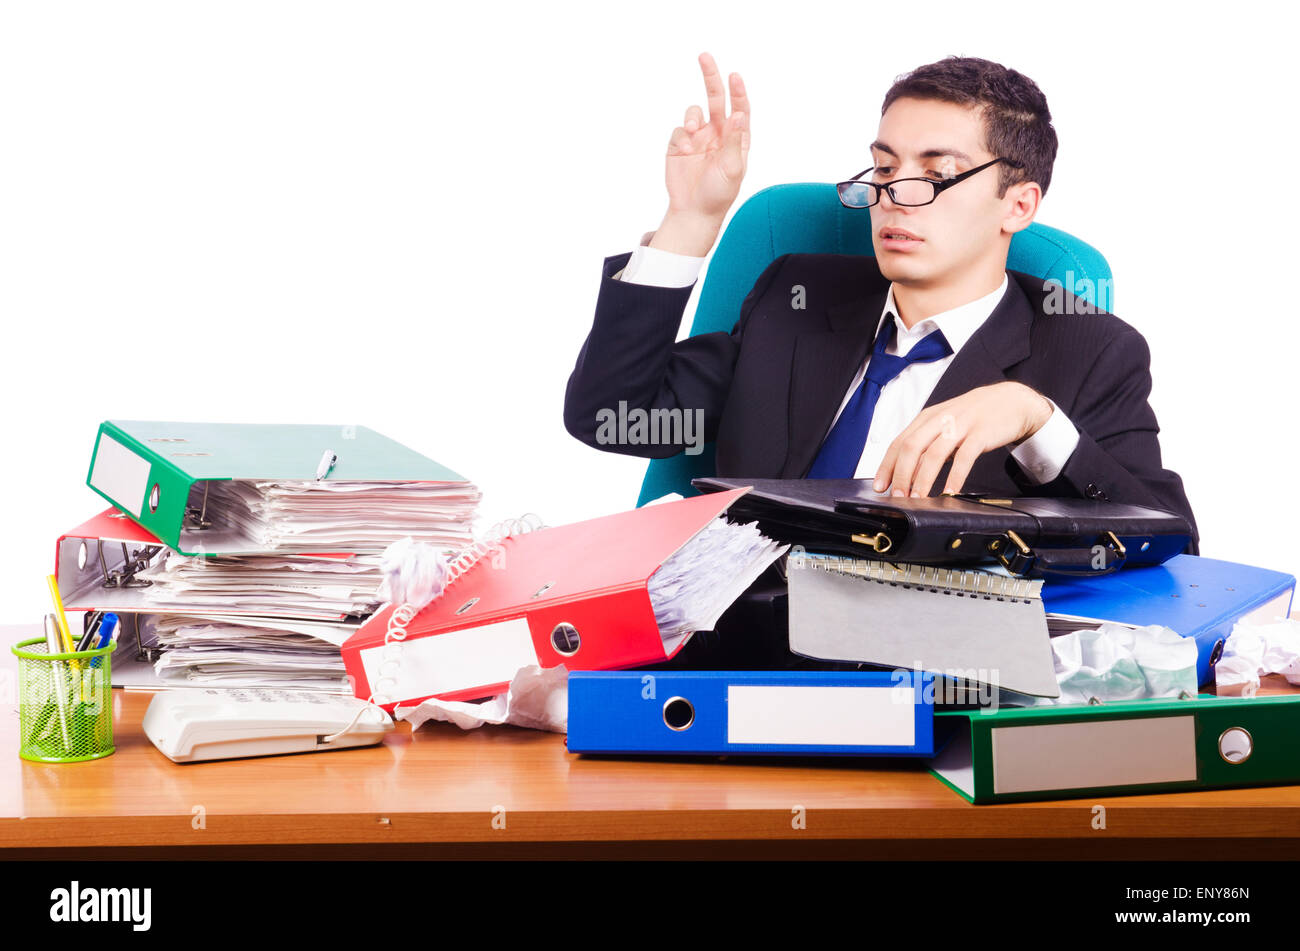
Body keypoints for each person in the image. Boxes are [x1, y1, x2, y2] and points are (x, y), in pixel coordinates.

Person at [564, 52, 1198, 556]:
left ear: (1018, 205)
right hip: (733, 637)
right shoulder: (796, 299)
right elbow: (612, 415)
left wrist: (1038, 422)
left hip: (927, 669)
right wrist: (689, 220)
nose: (896, 194)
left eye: (934, 172)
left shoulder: (1090, 351)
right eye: (885, 168)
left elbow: (1171, 539)